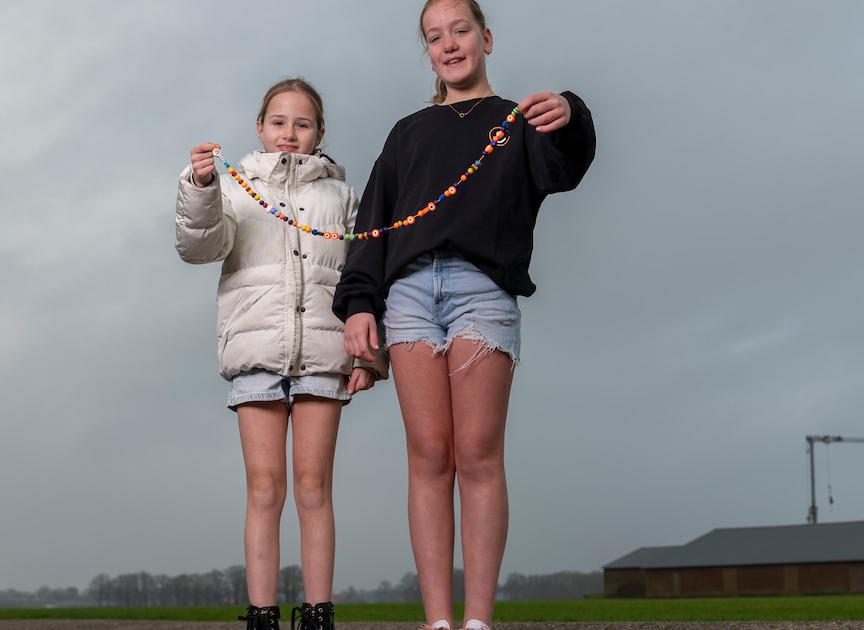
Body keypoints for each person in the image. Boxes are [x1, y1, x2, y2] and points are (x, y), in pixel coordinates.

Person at [332, 2, 596, 630]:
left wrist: (572, 113)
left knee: (477, 452)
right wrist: (359, 302)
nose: (449, 44)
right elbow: (373, 222)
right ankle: (438, 623)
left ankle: (478, 621)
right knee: (429, 454)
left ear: (486, 38)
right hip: (408, 295)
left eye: (460, 31)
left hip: (482, 290)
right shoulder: (407, 133)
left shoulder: (517, 124)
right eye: (434, 37)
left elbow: (566, 168)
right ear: (427, 52)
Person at [176, 77, 386, 630]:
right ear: (260, 128)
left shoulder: (342, 197)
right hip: (257, 353)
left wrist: (368, 357)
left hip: (323, 352)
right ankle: (262, 615)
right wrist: (200, 186)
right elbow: (198, 247)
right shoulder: (233, 186)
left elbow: (364, 276)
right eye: (278, 122)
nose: (289, 133)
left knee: (314, 488)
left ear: (319, 132)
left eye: (302, 123)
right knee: (264, 489)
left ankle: (318, 613)